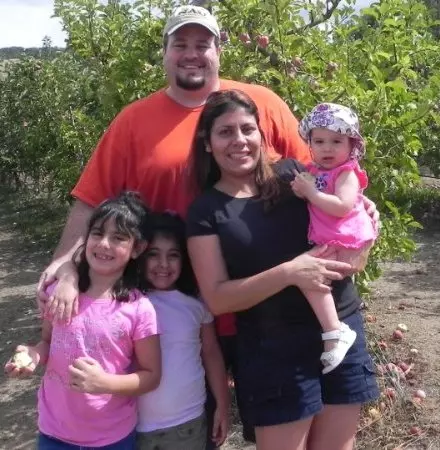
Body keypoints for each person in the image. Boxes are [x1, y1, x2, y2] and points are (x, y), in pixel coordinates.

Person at [36, 5, 314, 446]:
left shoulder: (261, 105)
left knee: (282, 428)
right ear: (164, 53)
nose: (191, 54)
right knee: (183, 428)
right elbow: (91, 200)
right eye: (179, 44)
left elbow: (315, 174)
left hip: (268, 305)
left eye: (202, 44)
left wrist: (354, 214)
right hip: (172, 315)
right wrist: (67, 265)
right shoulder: (133, 121)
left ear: (219, 50)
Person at [186, 89, 379, 450]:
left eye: (248, 129)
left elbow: (347, 216)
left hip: (341, 329)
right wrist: (290, 272)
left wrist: (367, 229)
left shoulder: (294, 176)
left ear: (261, 134)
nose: (239, 140)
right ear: (208, 143)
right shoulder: (207, 211)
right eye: (225, 132)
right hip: (273, 347)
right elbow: (217, 297)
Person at [5, 192, 161, 449]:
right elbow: (46, 341)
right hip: (53, 433)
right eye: (97, 233)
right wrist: (33, 355)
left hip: (112, 437)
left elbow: (152, 376)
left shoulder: (139, 309)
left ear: (138, 249)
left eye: (119, 238)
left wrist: (105, 383)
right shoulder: (60, 293)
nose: (104, 244)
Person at [287, 103, 379, 374]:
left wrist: (311, 194)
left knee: (309, 276)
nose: (327, 148)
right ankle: (334, 330)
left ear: (351, 145)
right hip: (334, 238)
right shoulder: (314, 170)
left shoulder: (346, 172)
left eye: (336, 141)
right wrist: (299, 189)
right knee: (310, 277)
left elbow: (342, 205)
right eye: (319, 141)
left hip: (346, 239)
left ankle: (335, 331)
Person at [136, 211, 229, 450]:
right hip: (133, 426)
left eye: (173, 255)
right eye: (153, 255)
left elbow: (210, 352)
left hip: (187, 424)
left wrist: (222, 403)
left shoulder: (196, 303)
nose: (163, 265)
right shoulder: (126, 302)